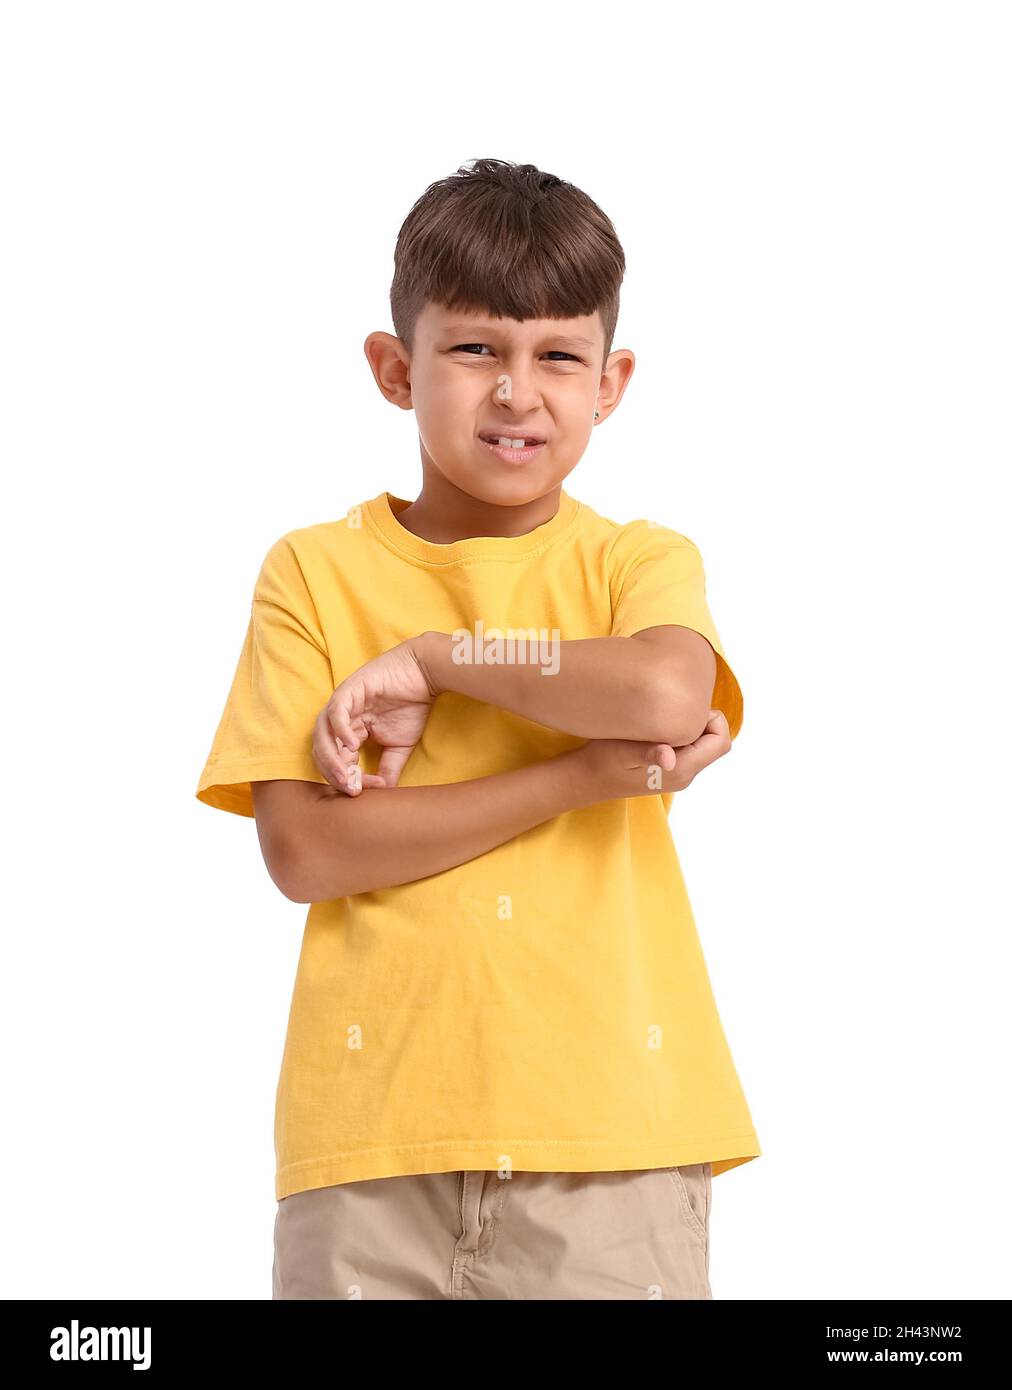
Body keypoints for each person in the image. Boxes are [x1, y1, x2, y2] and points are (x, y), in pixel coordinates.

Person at [196, 157, 760, 1300]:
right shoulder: (313, 571)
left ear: (611, 382)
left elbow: (659, 694)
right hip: (368, 1146)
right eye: (474, 351)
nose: (516, 392)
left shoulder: (634, 560)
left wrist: (444, 659)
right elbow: (307, 852)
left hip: (614, 1141)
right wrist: (572, 779)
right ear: (395, 370)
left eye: (557, 355)